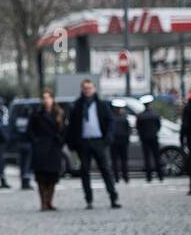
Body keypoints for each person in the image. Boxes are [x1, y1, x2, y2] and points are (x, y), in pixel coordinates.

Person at [67, 79, 121, 209]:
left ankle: (113, 198)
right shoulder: (77, 106)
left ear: (94, 89)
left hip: (99, 142)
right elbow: (72, 126)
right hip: (83, 143)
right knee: (84, 171)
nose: (87, 91)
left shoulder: (101, 105)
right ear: (82, 90)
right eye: (85, 88)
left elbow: (110, 123)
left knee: (106, 170)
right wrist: (73, 143)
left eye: (90, 88)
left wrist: (107, 139)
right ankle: (89, 200)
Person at [29, 89, 65, 210]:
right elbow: (30, 130)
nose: (46, 100)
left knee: (52, 177)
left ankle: (49, 201)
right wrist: (36, 141)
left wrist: (60, 140)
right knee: (41, 177)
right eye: (44, 98)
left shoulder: (59, 113)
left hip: (54, 148)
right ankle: (43, 202)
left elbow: (64, 130)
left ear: (53, 99)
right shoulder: (37, 113)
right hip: (41, 149)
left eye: (48, 97)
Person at [135, 97, 163, 182]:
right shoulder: (155, 115)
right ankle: (160, 176)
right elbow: (159, 126)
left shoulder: (140, 116)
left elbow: (138, 128)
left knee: (147, 158)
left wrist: (142, 135)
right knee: (156, 157)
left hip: (144, 139)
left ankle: (149, 177)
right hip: (154, 138)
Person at [108, 98, 131, 184]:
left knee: (115, 161)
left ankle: (117, 177)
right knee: (123, 160)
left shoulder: (111, 118)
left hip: (114, 142)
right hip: (122, 141)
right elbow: (128, 130)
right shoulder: (124, 118)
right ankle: (125, 177)